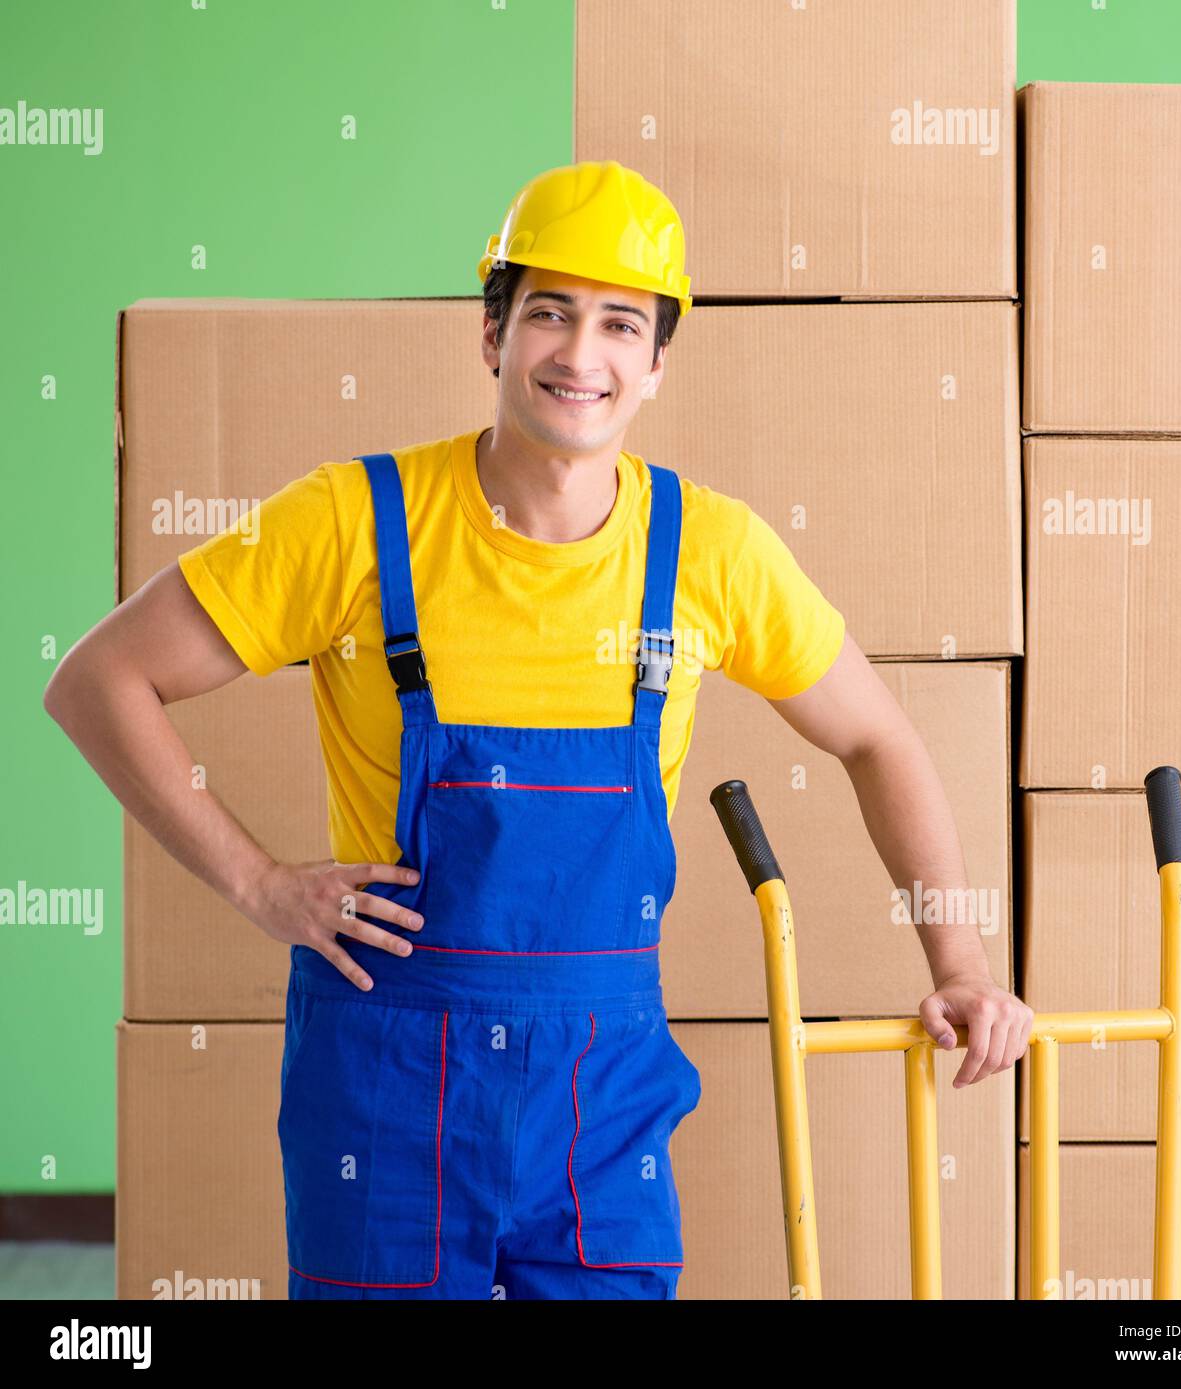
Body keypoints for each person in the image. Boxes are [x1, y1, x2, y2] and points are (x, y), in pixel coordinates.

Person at [43, 159, 1033, 1301]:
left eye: (619, 323)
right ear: (491, 336)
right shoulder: (356, 524)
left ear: (656, 364)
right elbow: (97, 682)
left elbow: (879, 740)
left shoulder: (711, 553)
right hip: (386, 1077)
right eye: (548, 313)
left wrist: (957, 962)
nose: (580, 353)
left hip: (601, 1091)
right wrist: (261, 886)